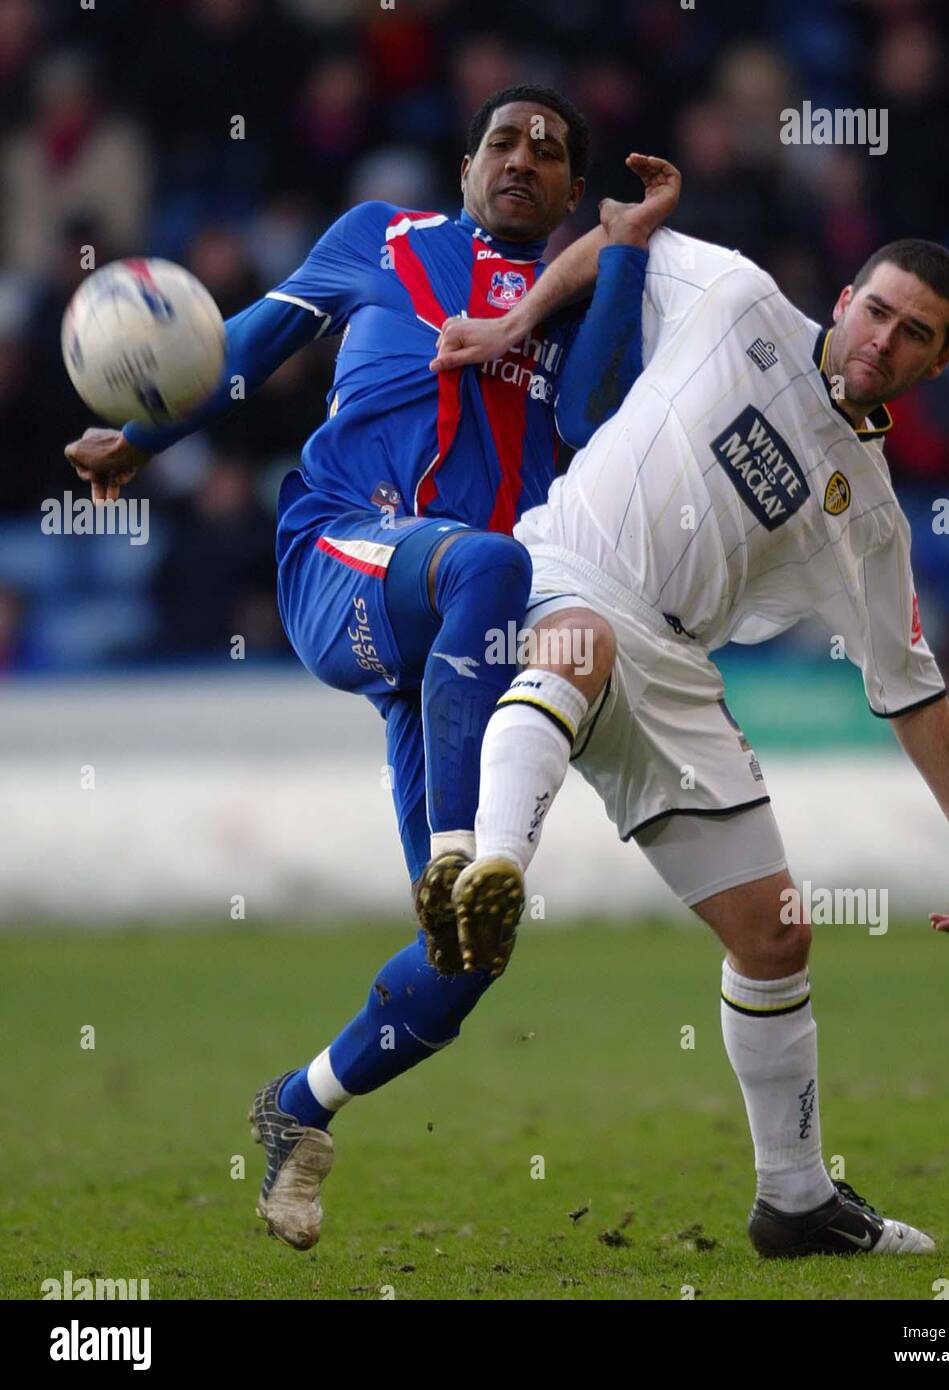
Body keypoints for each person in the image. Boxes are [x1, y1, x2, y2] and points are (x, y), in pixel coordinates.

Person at [64, 84, 681, 1250]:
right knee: (488, 566)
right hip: (346, 552)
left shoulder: (576, 295)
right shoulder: (380, 240)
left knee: (465, 967)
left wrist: (631, 251)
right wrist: (137, 439)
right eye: (502, 139)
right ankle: (460, 859)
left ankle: (297, 1110)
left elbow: (594, 416)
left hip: (457, 639)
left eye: (550, 153)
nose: (523, 158)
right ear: (461, 166)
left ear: (566, 194)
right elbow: (245, 343)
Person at [433, 231, 949, 1258]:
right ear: (842, 297)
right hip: (565, 565)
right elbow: (619, 236)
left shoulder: (868, 514)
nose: (883, 339)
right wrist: (518, 322)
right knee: (577, 638)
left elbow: (906, 685)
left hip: (678, 672)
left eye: (914, 332)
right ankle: (492, 873)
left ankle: (793, 1200)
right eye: (876, 310)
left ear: (937, 362)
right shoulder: (737, 294)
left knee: (776, 933)